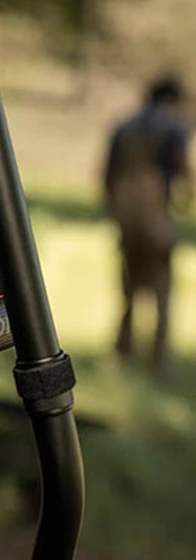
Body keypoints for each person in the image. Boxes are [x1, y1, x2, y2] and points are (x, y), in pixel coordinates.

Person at [104, 75, 192, 377]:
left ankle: (122, 353)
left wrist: (115, 210)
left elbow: (107, 175)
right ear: (171, 99)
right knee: (162, 288)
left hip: (126, 215)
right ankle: (159, 361)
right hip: (156, 215)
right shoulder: (174, 128)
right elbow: (183, 171)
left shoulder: (124, 126)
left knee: (128, 286)